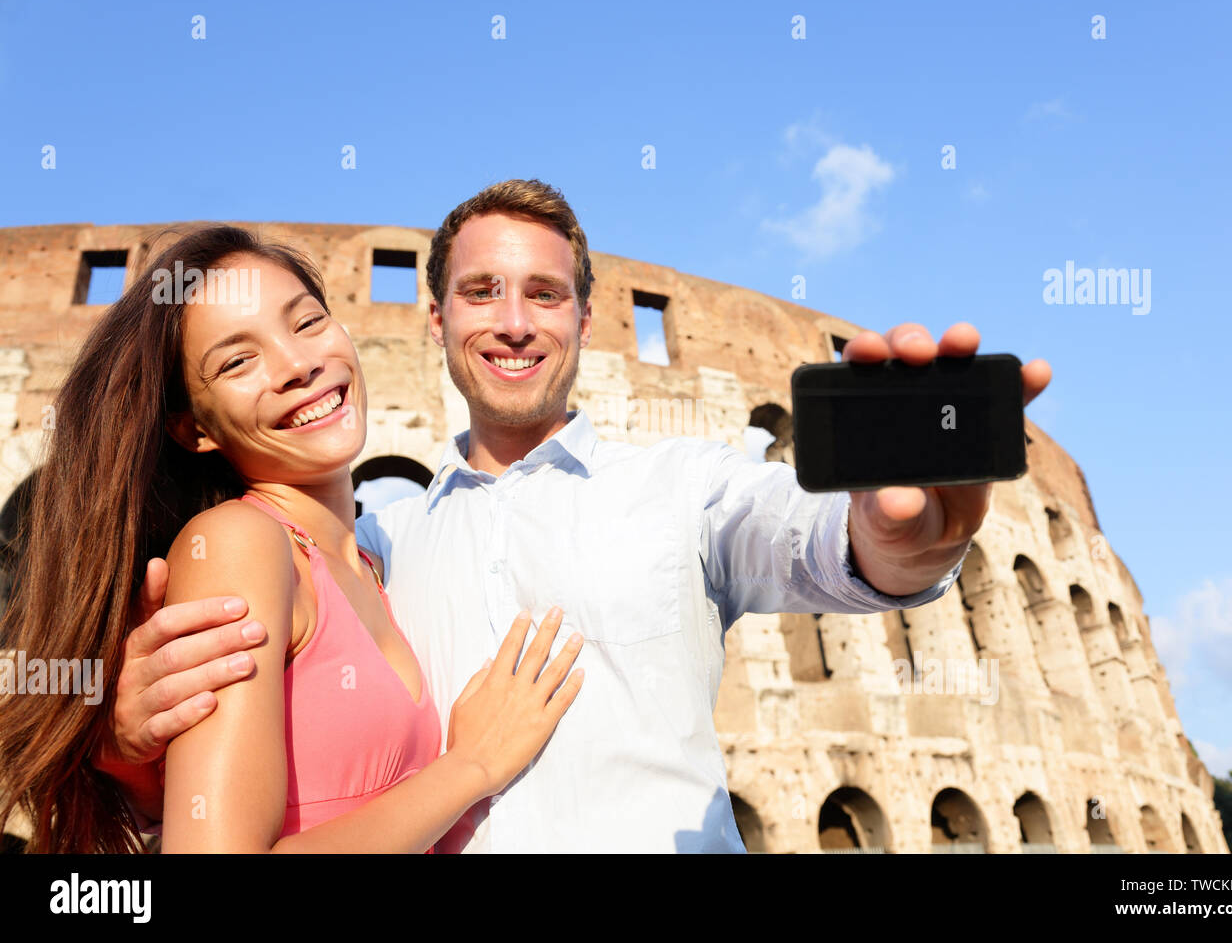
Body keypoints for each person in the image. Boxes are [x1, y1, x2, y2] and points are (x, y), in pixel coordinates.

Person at [102, 180, 1053, 852]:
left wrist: (894, 544)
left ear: (587, 322)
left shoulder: (683, 485)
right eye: (481, 292)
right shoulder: (380, 545)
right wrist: (133, 745)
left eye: (545, 294)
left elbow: (810, 537)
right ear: (430, 321)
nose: (514, 322)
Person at [0, 224, 583, 853]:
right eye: (237, 360)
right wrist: (471, 768)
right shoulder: (239, 543)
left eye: (306, 323)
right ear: (192, 427)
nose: (298, 365)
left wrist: (133, 767)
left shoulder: (370, 562)